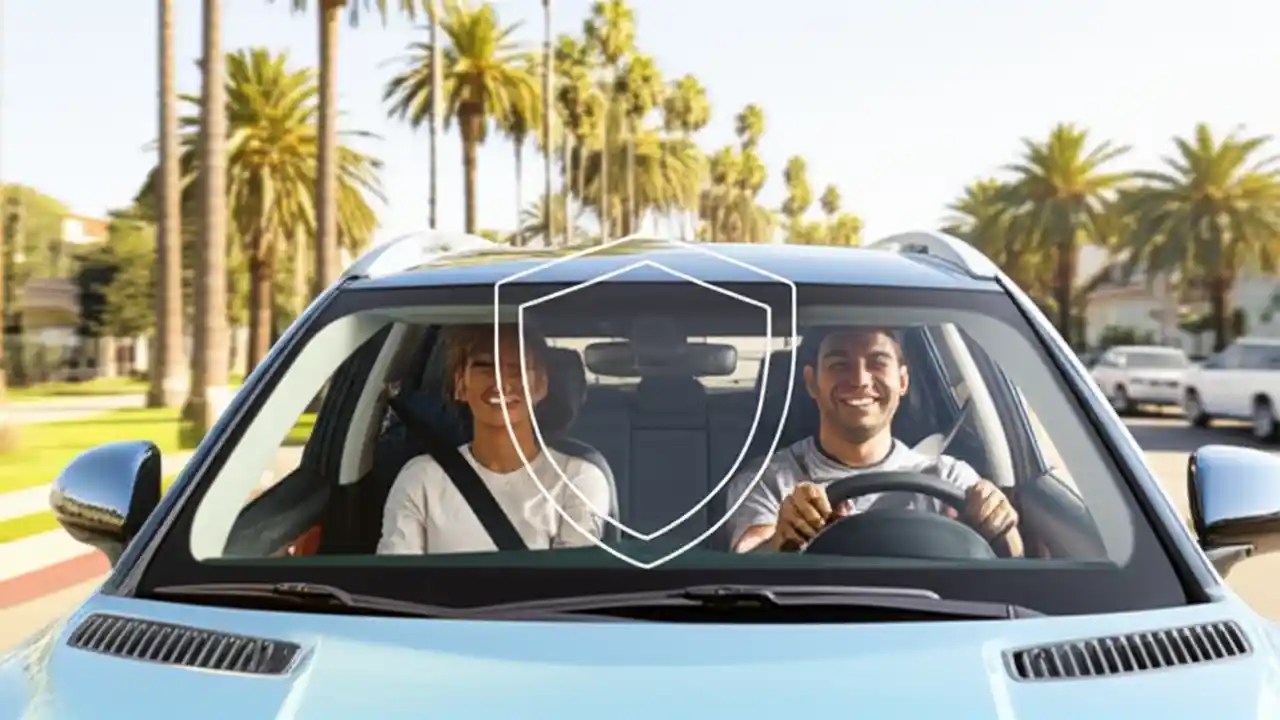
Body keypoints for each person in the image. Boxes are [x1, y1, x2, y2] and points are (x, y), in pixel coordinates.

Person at [726, 325, 1025, 556]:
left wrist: (1000, 522)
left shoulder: (950, 477)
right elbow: (745, 564)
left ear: (903, 381)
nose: (859, 380)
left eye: (877, 362)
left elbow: (1012, 562)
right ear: (811, 383)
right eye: (839, 364)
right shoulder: (768, 481)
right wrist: (782, 537)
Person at [377, 323, 612, 554]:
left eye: (517, 368)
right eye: (485, 367)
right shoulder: (421, 479)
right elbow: (397, 581)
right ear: (460, 384)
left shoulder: (576, 479)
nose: (501, 383)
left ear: (540, 384)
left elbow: (572, 586)